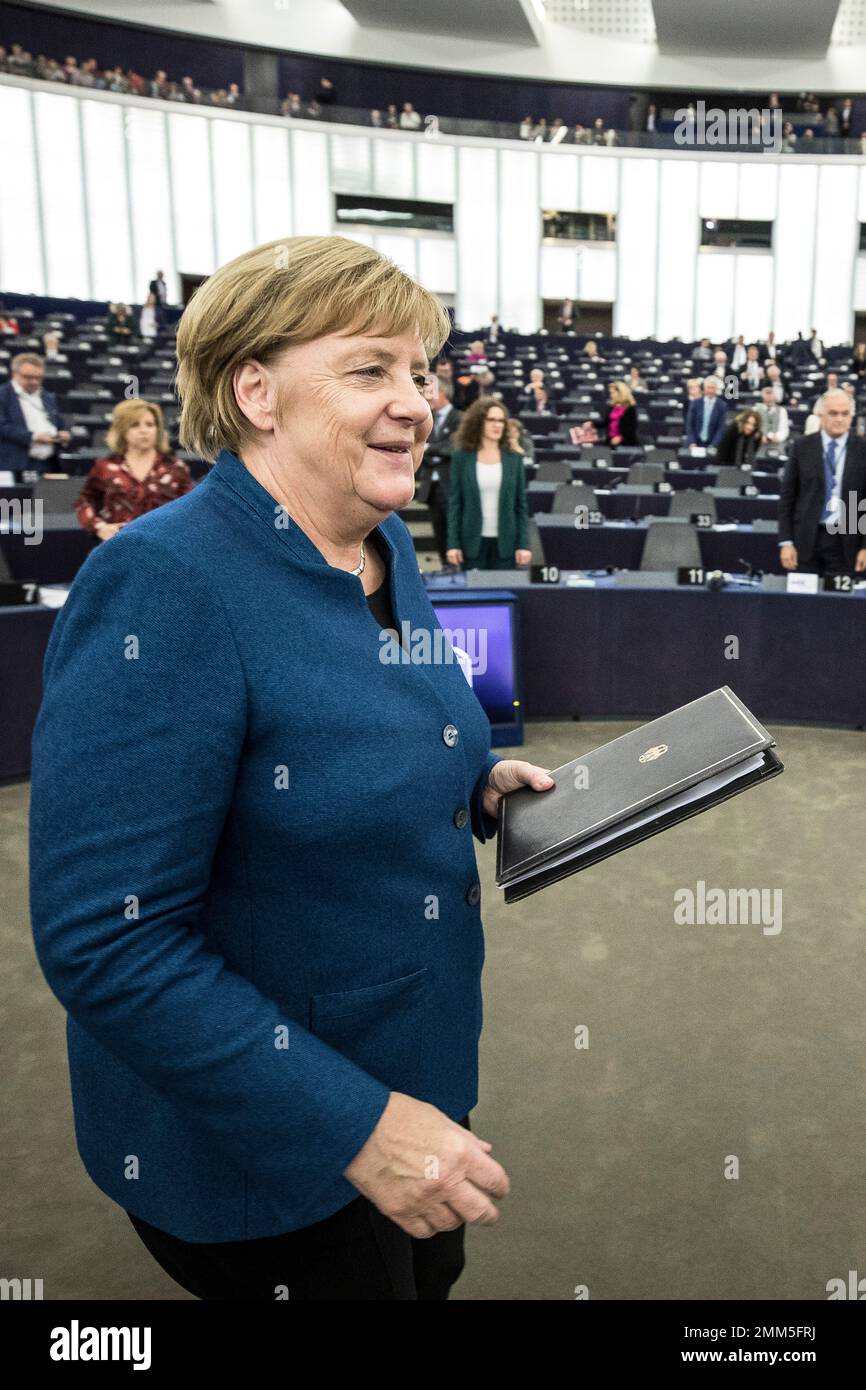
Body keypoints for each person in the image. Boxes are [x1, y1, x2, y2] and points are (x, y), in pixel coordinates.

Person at [29, 234, 555, 1303]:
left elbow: (360, 733)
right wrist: (352, 1127)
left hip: (418, 1078)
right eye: (370, 368)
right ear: (255, 392)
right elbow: (106, 939)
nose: (415, 399)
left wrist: (469, 782)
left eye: (418, 370)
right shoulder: (161, 583)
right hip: (271, 1152)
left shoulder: (380, 540)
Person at [778, 388, 866, 578]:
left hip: (848, 540)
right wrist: (786, 542)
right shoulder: (801, 447)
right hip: (806, 538)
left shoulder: (863, 450)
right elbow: (787, 498)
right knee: (804, 604)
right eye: (833, 413)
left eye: (845, 414)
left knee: (840, 605)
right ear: (821, 415)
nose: (840, 419)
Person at [74, 399, 192, 539]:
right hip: (120, 547)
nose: (144, 430)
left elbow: (190, 510)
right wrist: (99, 527)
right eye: (135, 425)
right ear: (122, 430)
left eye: (150, 425)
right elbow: (84, 502)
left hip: (165, 547)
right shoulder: (105, 468)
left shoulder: (176, 468)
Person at [446, 396, 531, 571]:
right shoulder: (461, 457)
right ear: (478, 422)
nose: (497, 425)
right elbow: (455, 504)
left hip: (506, 543)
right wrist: (452, 543)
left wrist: (524, 544)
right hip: (471, 543)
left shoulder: (514, 458)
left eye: (501, 420)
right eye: (491, 420)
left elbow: (520, 506)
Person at [0, 352, 70, 481]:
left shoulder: (48, 397)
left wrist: (62, 434)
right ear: (14, 374)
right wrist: (33, 437)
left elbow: (58, 423)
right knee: (18, 501)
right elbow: (2, 427)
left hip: (49, 464)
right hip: (16, 464)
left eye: (39, 378)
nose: (34, 382)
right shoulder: (3, 395)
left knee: (52, 500)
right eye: (28, 377)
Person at [415, 377, 461, 566]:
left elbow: (453, 447)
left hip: (451, 483)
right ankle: (445, 567)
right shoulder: (427, 419)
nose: (428, 396)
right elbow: (419, 448)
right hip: (431, 485)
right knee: (439, 529)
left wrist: (429, 449)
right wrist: (433, 450)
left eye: (431, 392)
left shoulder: (460, 418)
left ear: (443, 392)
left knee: (454, 529)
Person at [685, 378, 728, 450]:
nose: (710, 390)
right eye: (708, 388)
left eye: (713, 388)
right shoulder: (695, 403)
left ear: (716, 389)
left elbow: (721, 428)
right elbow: (689, 424)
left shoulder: (722, 405)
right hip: (695, 442)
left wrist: (713, 445)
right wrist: (692, 442)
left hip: (712, 443)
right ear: (704, 389)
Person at [604, 381, 638, 446]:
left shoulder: (630, 408)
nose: (611, 395)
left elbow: (632, 428)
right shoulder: (612, 406)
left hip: (626, 443)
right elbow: (605, 422)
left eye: (613, 393)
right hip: (610, 440)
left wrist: (620, 437)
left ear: (621, 393)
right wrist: (592, 424)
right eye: (610, 393)